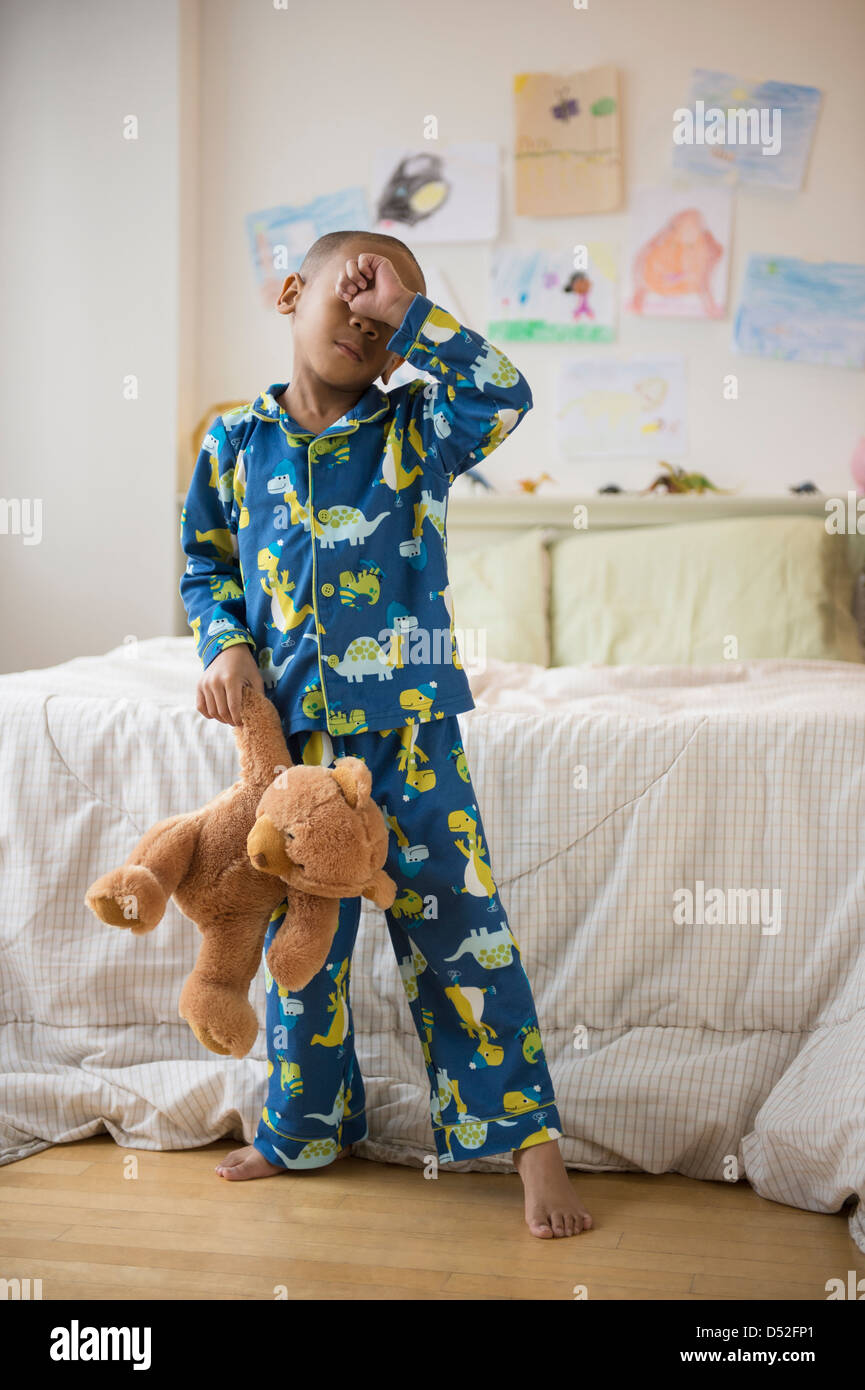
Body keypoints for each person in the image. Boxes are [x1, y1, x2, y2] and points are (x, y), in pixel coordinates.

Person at [179, 230, 592, 1238]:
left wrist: (414, 311)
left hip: (411, 737)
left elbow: (504, 392)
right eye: (347, 303)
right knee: (299, 952)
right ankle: (305, 1127)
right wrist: (225, 642)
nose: (364, 329)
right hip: (296, 755)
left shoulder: (418, 430)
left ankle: (528, 1141)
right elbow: (206, 564)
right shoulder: (234, 442)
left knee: (462, 933)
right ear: (289, 295)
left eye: (384, 323)